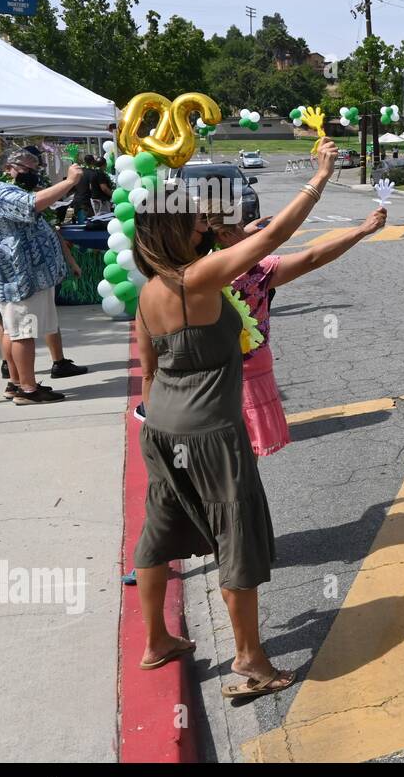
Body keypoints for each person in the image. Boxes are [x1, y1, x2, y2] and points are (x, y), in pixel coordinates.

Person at [127, 140, 339, 699]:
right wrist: (319, 177)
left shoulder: (151, 291)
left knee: (158, 533)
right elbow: (272, 242)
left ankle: (156, 641)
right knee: (236, 538)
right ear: (176, 228)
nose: (204, 217)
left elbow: (147, 371)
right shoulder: (197, 280)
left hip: (162, 428)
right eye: (195, 213)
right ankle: (250, 662)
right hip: (210, 434)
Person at [203, 201, 388, 456]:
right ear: (223, 234)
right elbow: (312, 258)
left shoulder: (198, 269)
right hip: (248, 377)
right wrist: (362, 230)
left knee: (221, 456)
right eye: (236, 226)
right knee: (246, 457)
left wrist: (242, 234)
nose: (242, 229)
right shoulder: (253, 272)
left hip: (210, 376)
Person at [0, 150, 88, 404]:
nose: (33, 174)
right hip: (21, 278)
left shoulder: (4, 189)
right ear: (9, 167)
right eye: (28, 169)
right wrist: (70, 181)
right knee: (22, 332)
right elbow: (32, 204)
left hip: (24, 277)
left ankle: (18, 383)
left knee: (15, 330)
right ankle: (28, 390)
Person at [71, 155, 113, 224]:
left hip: (79, 198)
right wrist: (112, 195)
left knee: (82, 223)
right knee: (99, 221)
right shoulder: (94, 173)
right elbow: (99, 187)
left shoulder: (80, 172)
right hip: (92, 200)